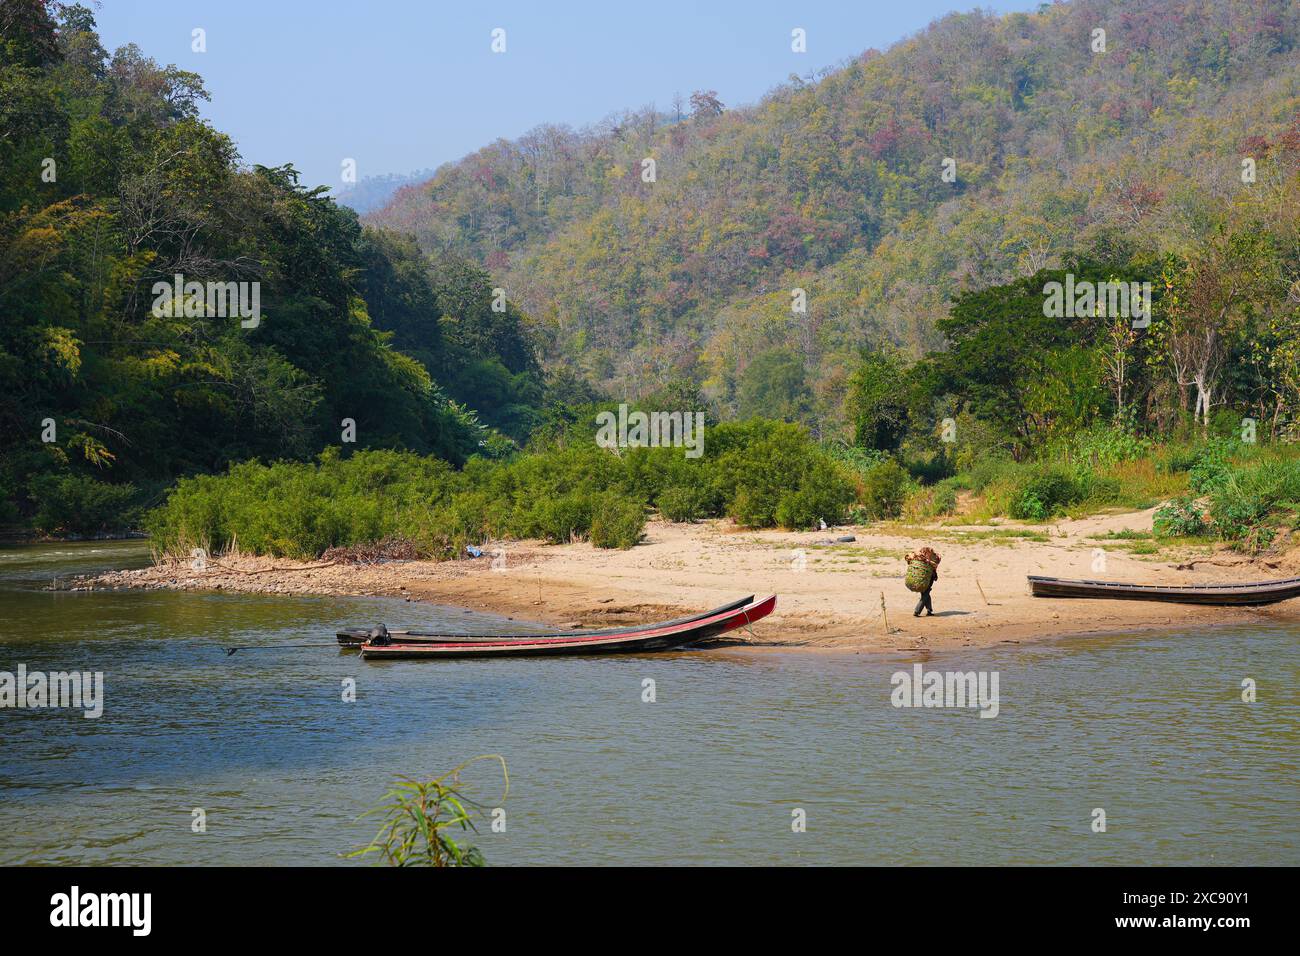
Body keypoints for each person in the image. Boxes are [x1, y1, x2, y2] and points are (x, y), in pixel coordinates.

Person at [906, 547, 941, 617]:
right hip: (928, 577)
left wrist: (926, 560)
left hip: (923, 577)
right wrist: (927, 560)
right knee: (926, 593)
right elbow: (935, 565)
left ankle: (929, 610)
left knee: (925, 593)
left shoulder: (922, 557)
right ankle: (917, 611)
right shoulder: (932, 557)